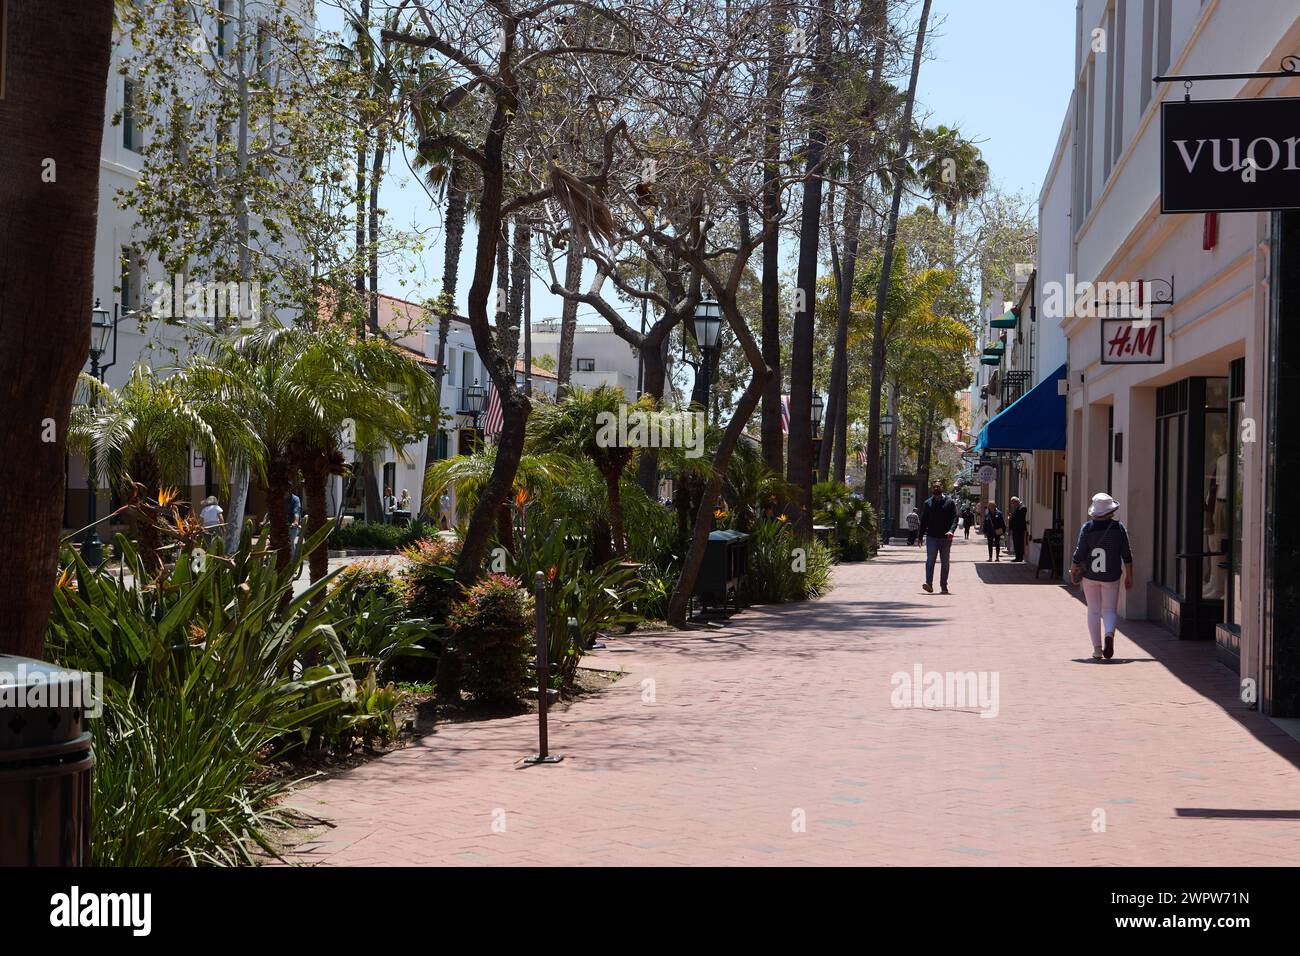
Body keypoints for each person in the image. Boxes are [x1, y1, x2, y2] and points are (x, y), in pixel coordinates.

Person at [1069, 492, 1134, 660]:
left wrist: (1074, 568)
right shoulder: (1118, 528)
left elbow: (1079, 552)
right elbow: (1127, 554)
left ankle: (1097, 649)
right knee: (1110, 609)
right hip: (1111, 575)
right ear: (1111, 511)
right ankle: (1109, 634)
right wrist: (1129, 575)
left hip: (1090, 575)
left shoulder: (1087, 528)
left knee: (1093, 610)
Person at [915, 480, 958, 594]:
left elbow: (955, 518)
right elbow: (924, 520)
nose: (936, 488)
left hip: (946, 538)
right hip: (932, 537)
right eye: (934, 487)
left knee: (945, 563)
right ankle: (929, 584)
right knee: (930, 561)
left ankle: (944, 585)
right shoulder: (928, 503)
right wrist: (920, 537)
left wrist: (951, 531)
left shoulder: (949, 502)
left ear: (941, 487)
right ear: (931, 488)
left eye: (938, 486)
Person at [1008, 496, 1028, 561]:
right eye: (1012, 503)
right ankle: (1017, 557)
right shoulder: (1017, 508)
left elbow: (1020, 517)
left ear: (1017, 501)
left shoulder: (1022, 507)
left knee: (1019, 543)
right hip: (1015, 529)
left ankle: (1019, 557)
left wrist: (1012, 516)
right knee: (1016, 543)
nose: (1013, 505)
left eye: (1013, 503)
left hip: (1019, 529)